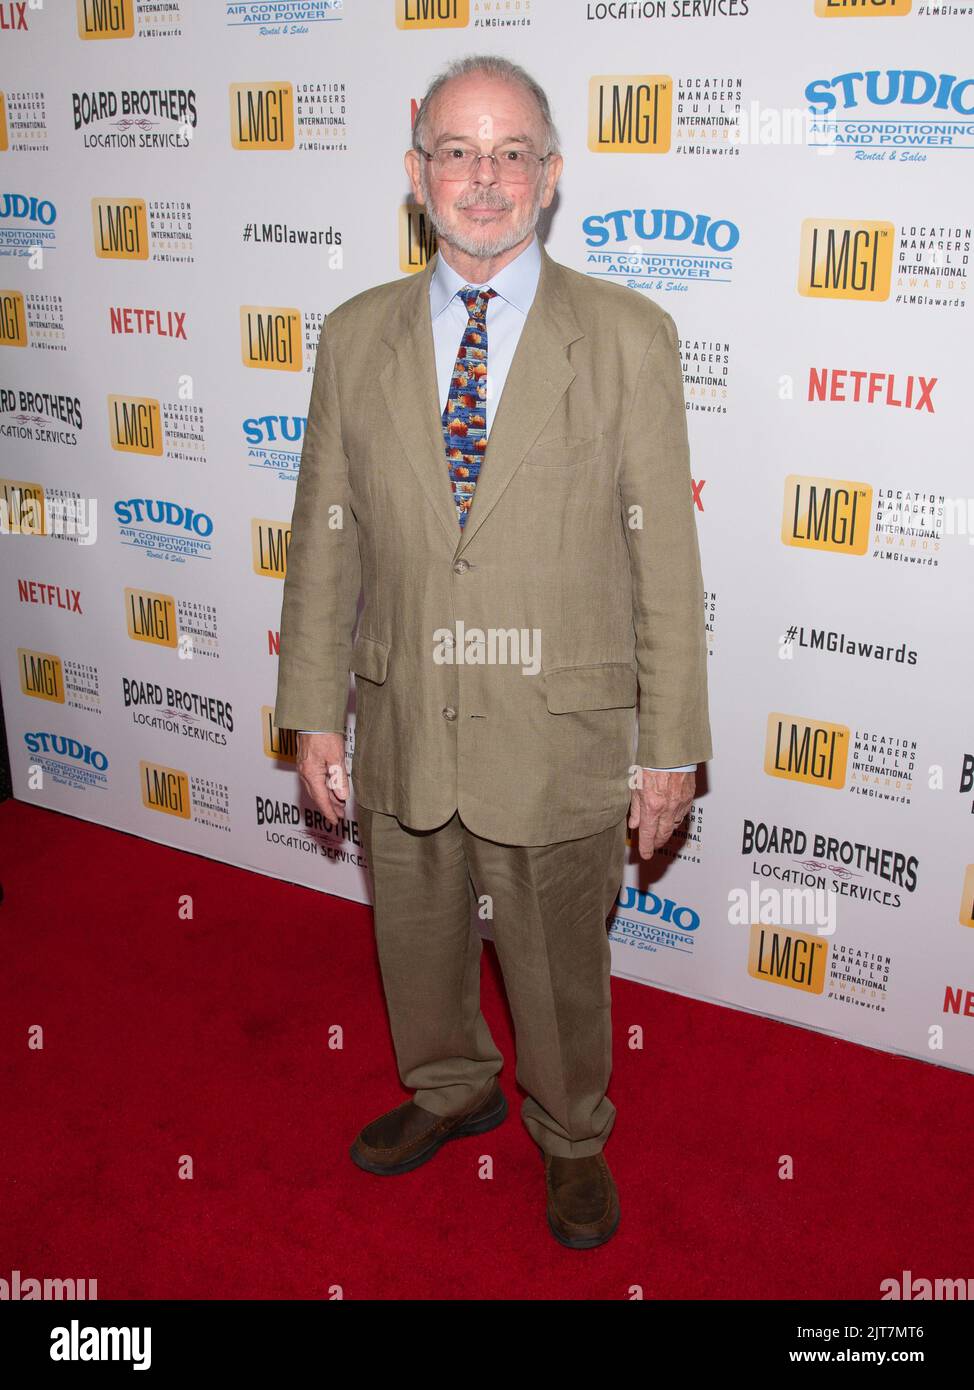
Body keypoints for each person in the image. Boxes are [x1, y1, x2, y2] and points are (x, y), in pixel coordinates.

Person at [274, 54, 712, 1250]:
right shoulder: (353, 335)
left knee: (559, 966)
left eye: (510, 152)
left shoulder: (626, 336)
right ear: (415, 176)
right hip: (404, 706)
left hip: (556, 727)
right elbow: (326, 538)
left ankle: (570, 1131)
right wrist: (315, 713)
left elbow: (663, 561)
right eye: (456, 152)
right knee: (412, 934)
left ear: (550, 177)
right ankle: (448, 1082)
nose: (484, 178)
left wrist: (669, 745)